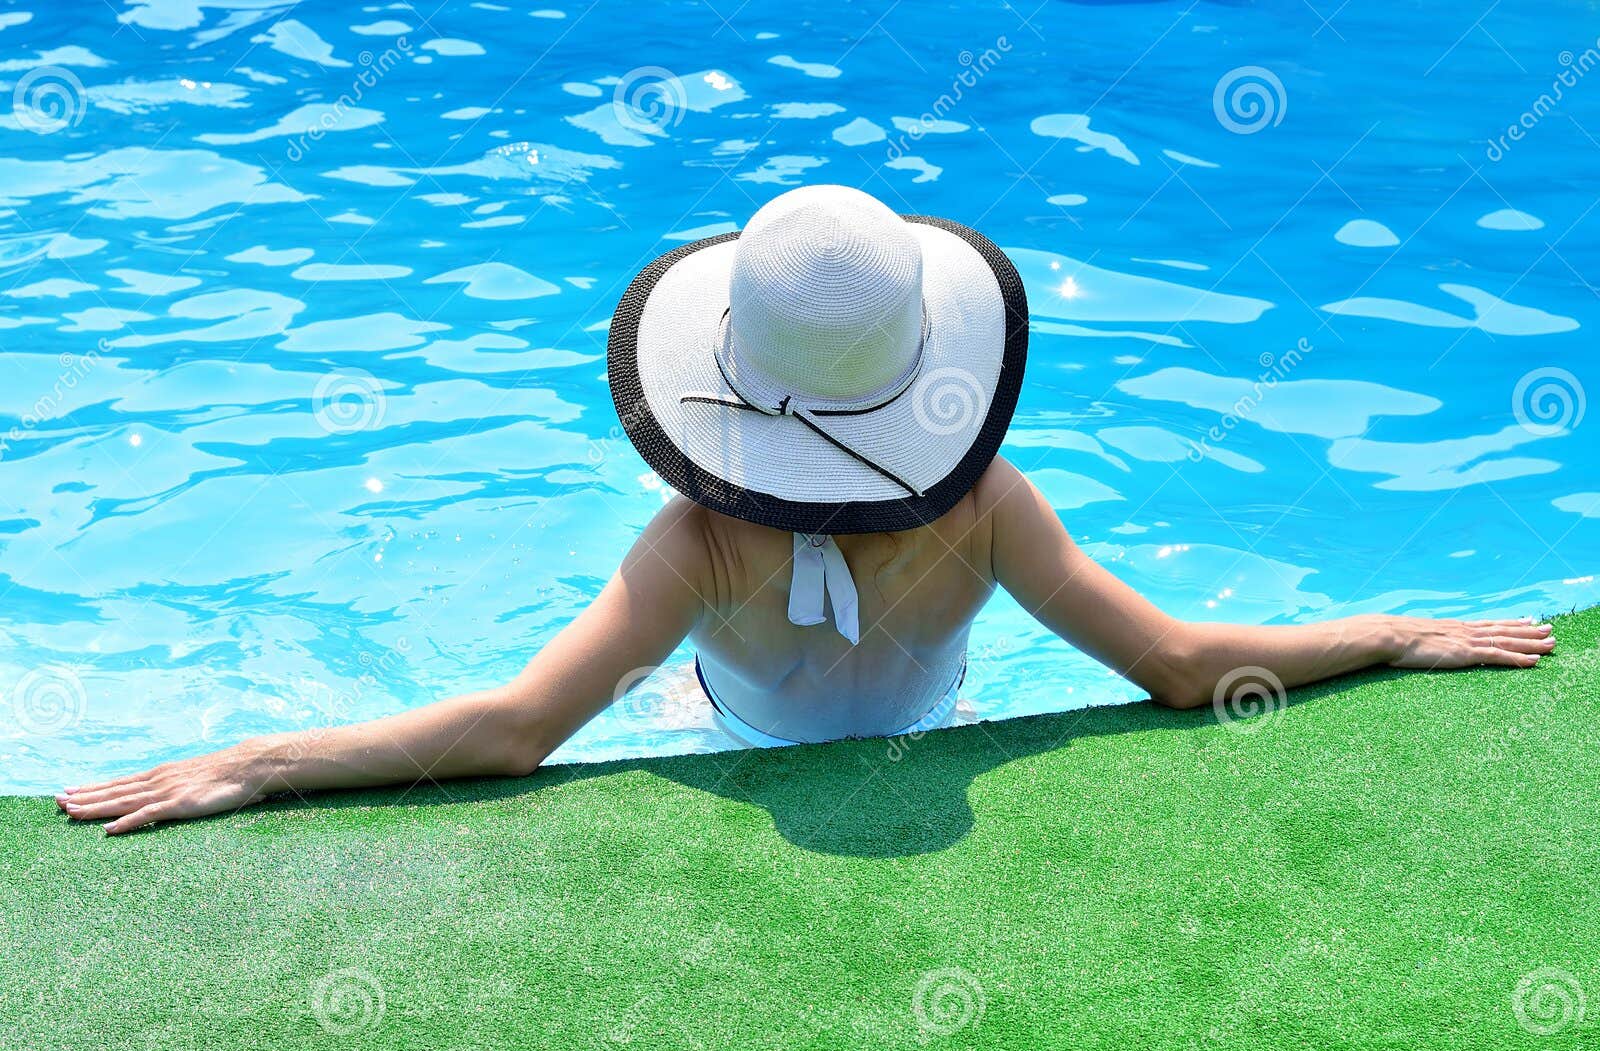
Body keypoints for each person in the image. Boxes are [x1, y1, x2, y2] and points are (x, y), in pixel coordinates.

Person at [58, 185, 1554, 835]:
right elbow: (1174, 664)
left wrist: (265, 757)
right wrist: (1384, 626)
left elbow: (514, 730)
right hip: (943, 714)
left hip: (725, 734)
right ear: (924, 379)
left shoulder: (695, 541)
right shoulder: (987, 511)